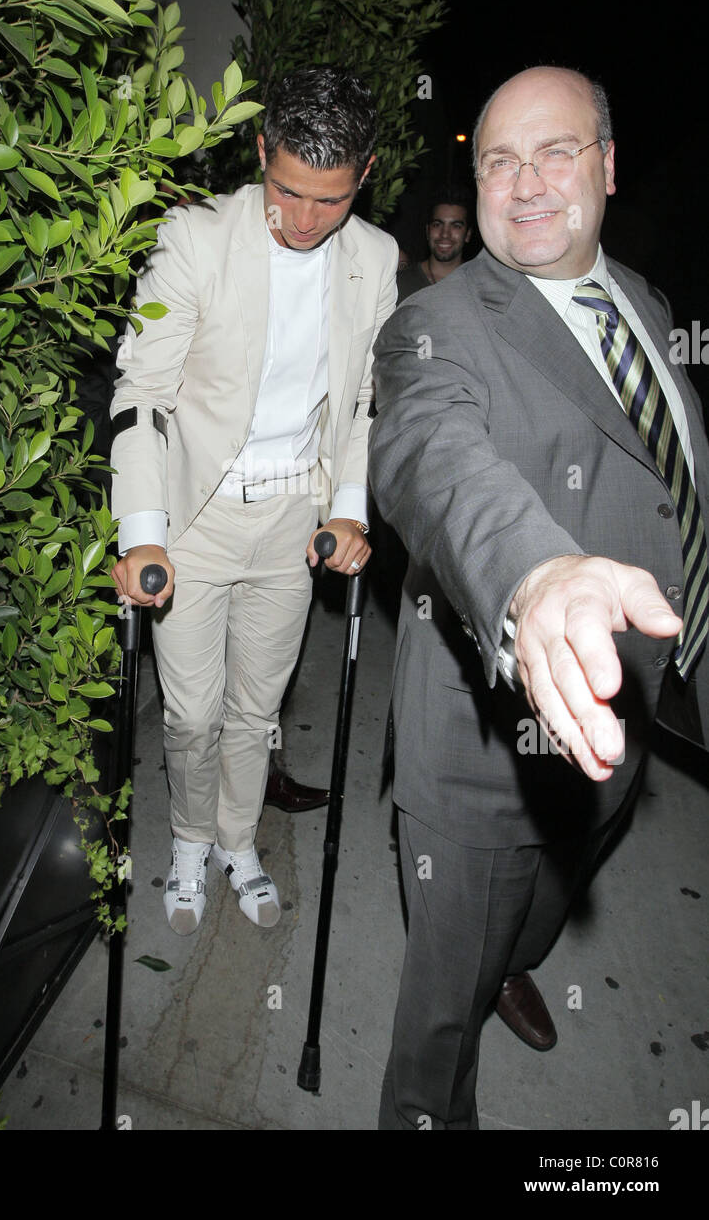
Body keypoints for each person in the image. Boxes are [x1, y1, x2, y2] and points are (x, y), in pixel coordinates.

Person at [369, 65, 708, 1129]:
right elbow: (426, 451)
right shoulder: (436, 325)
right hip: (484, 760)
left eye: (552, 152)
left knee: (544, 904)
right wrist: (530, 573)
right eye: (496, 162)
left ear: (604, 165)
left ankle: (511, 960)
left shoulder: (641, 302)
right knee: (436, 1027)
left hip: (621, 718)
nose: (522, 184)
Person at [110, 66, 398, 935]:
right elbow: (142, 390)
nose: (305, 220)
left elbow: (361, 402)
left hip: (289, 525)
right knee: (191, 712)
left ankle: (238, 840)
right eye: (287, 192)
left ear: (367, 175)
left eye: (331, 200)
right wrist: (142, 533)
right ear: (262, 151)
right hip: (194, 522)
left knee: (256, 710)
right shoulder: (193, 239)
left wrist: (347, 508)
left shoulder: (376, 258)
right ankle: (190, 839)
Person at [396, 187, 473, 300]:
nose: (445, 234)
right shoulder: (400, 284)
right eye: (437, 224)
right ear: (427, 231)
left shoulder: (479, 286)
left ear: (468, 234)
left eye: (456, 226)